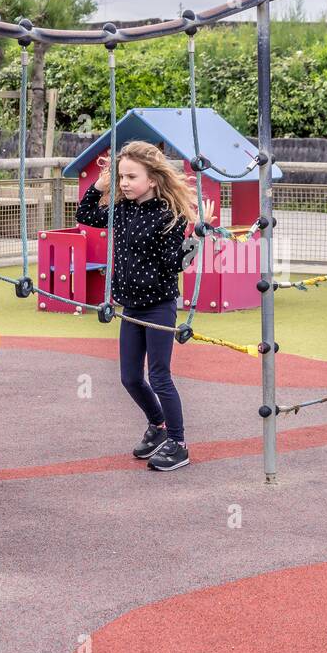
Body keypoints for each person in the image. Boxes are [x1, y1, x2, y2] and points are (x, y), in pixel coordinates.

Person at [75, 141, 216, 471]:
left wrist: (195, 238)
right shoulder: (122, 209)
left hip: (158, 307)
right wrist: (101, 184)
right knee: (129, 378)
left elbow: (173, 263)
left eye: (130, 177)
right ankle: (158, 426)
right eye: (121, 176)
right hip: (131, 307)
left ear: (152, 179)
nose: (123, 183)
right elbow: (84, 214)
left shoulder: (167, 216)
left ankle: (178, 443)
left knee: (159, 377)